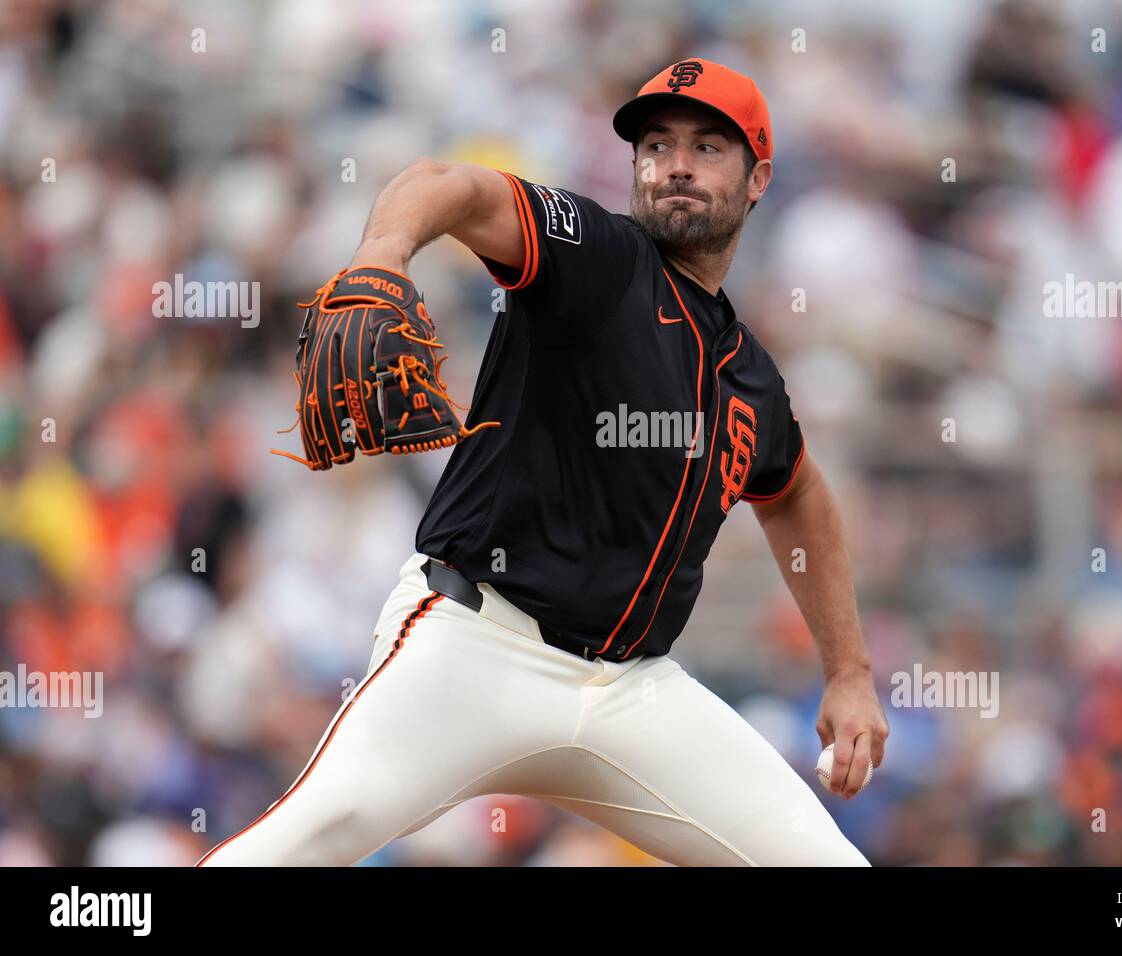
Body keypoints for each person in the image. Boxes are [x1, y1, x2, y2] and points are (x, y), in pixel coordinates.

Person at [197, 57, 887, 867]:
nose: (676, 164)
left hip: (631, 691)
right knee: (298, 844)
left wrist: (848, 671)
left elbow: (796, 490)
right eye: (656, 145)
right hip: (476, 647)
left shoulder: (749, 375)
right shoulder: (598, 258)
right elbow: (450, 184)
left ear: (758, 177)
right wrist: (384, 252)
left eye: (707, 147)